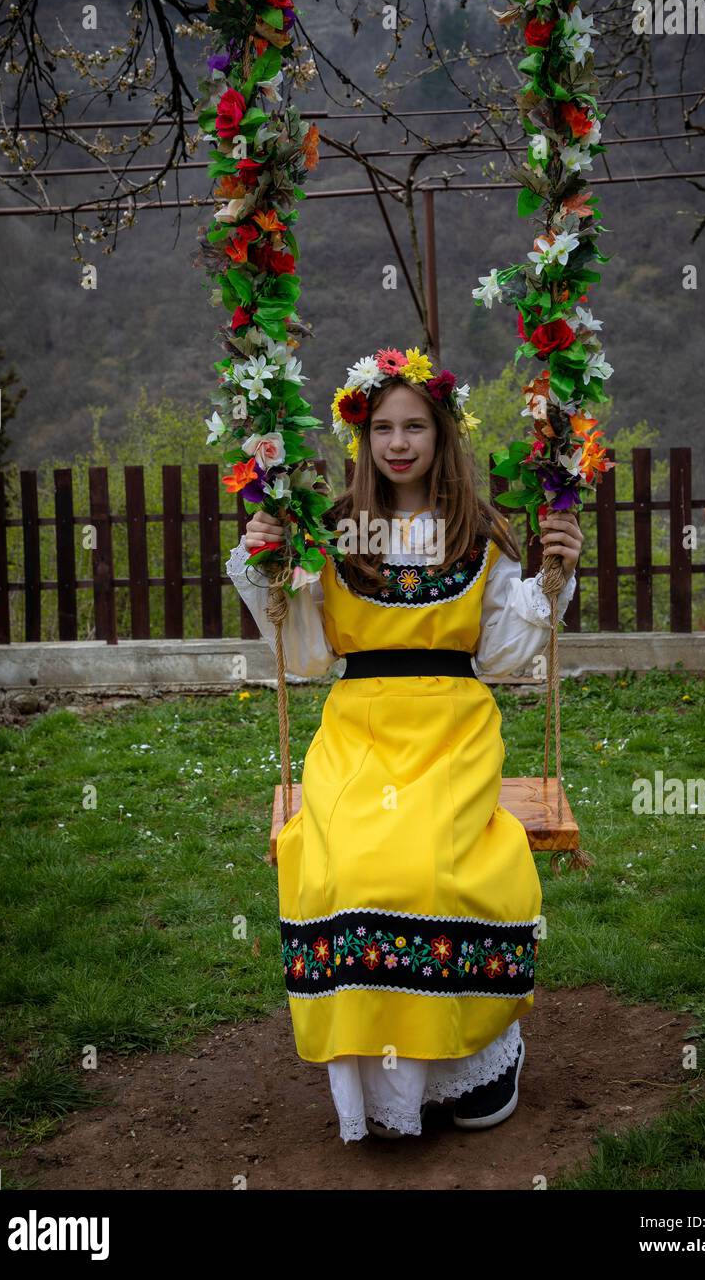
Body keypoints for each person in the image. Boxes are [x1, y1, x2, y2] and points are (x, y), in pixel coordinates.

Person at [226, 348, 583, 1142]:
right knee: (346, 866)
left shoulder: (476, 531)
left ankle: (481, 1057)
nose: (398, 442)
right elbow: (309, 653)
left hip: (453, 728)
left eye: (414, 425)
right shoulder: (331, 532)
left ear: (440, 433)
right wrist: (267, 562)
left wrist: (553, 576)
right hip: (359, 730)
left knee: (431, 868)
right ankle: (392, 1087)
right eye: (383, 426)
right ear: (363, 435)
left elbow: (496, 653)